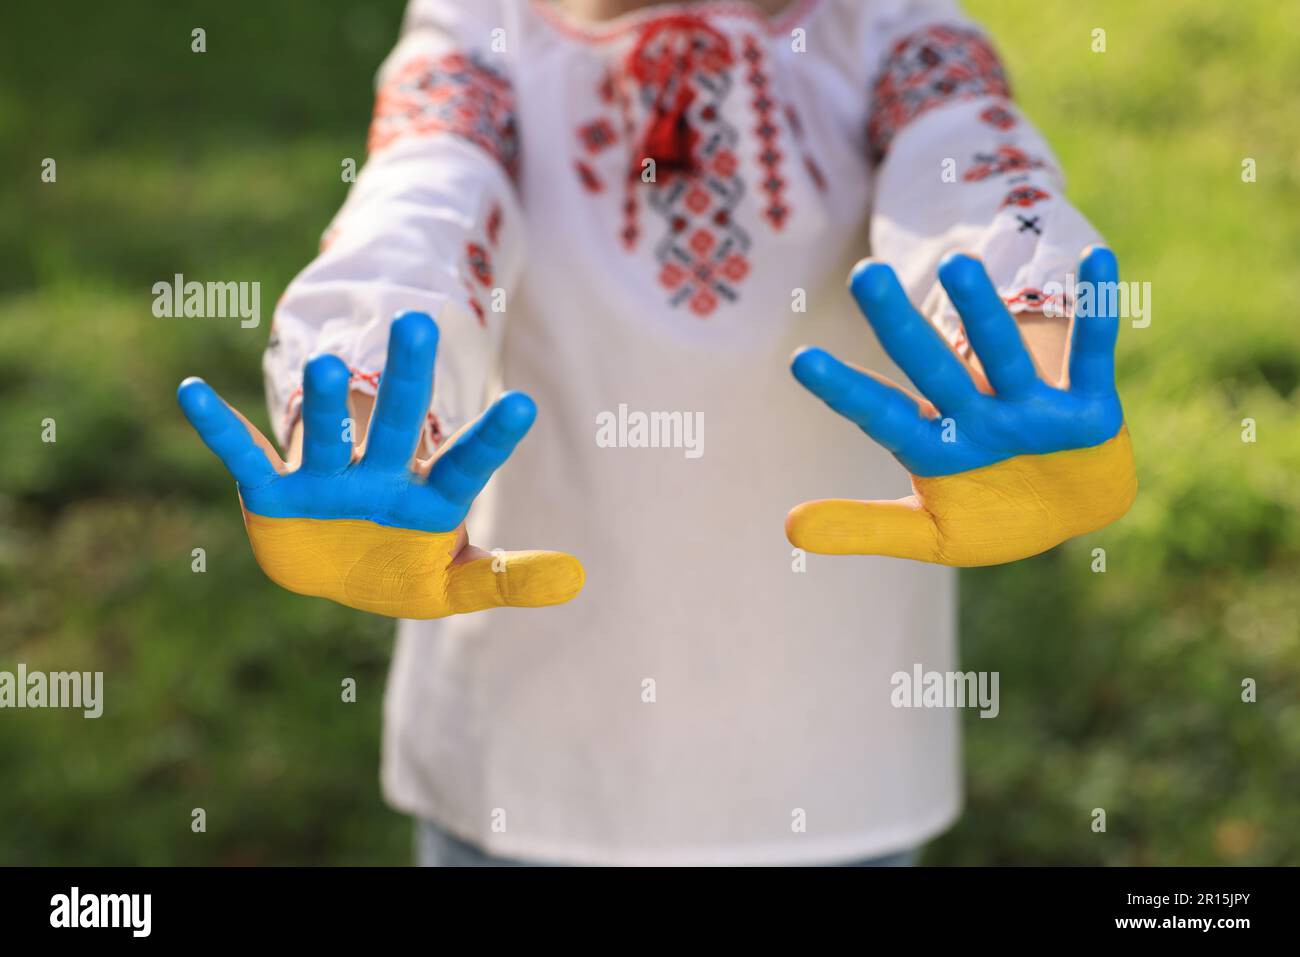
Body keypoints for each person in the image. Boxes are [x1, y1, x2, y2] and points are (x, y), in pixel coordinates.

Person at [178, 0, 1135, 865]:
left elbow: (974, 176)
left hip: (827, 763)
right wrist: (356, 419)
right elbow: (420, 209)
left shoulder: (890, 30)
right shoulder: (482, 33)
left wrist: (1035, 371)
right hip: (525, 765)